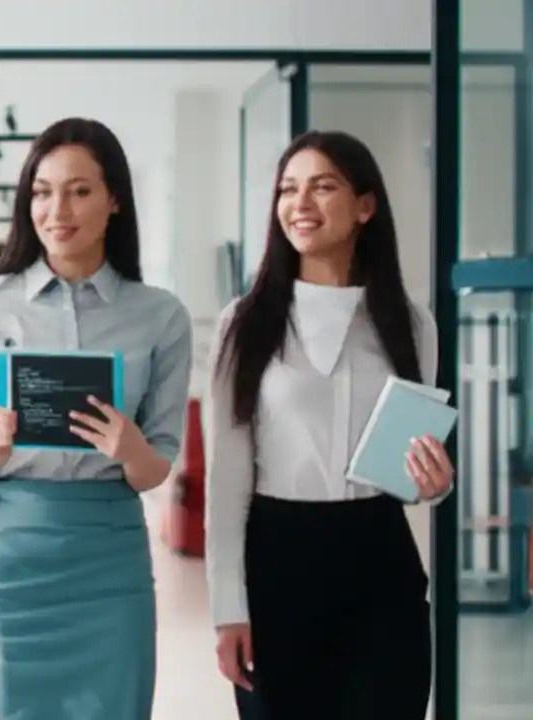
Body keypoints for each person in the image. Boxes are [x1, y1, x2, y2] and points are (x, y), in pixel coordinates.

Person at [0, 117, 193, 719]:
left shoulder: (161, 317)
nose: (56, 209)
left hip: (110, 558)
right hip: (4, 556)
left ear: (114, 199)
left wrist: (130, 449)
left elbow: (158, 466)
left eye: (79, 190)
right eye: (41, 191)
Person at [204, 130, 454, 719]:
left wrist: (435, 486)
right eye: (289, 189)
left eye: (323, 186)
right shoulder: (244, 324)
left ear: (366, 206)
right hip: (276, 562)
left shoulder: (411, 323)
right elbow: (226, 477)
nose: (301, 203)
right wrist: (226, 608)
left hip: (379, 560)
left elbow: (409, 463)